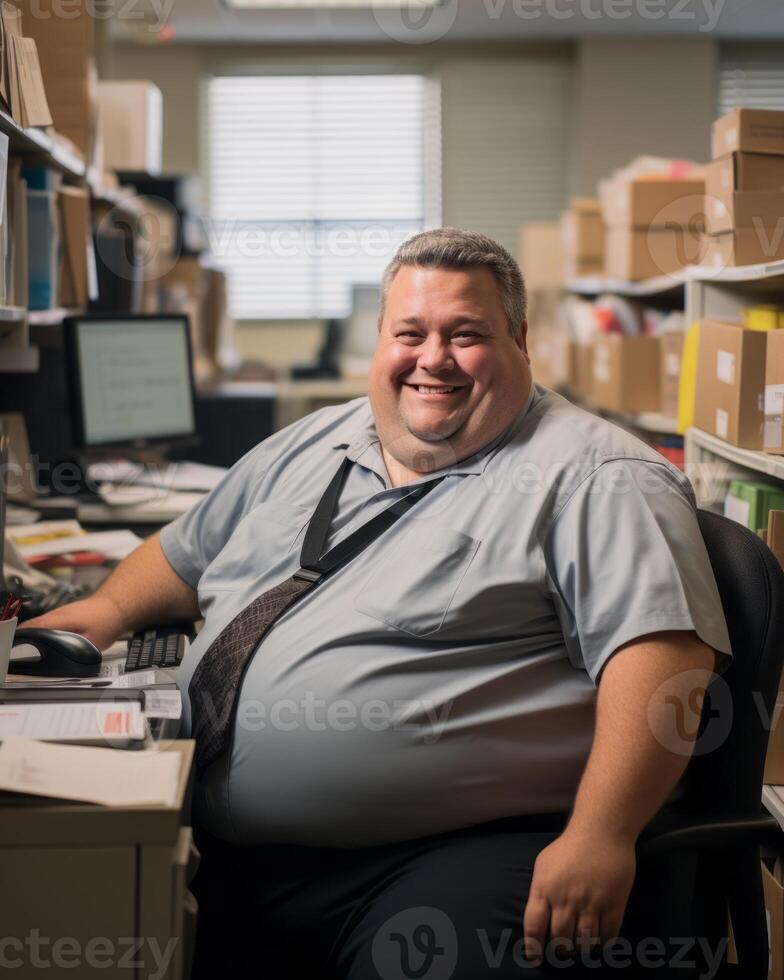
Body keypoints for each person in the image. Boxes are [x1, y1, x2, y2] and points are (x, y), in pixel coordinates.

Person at [28, 229, 731, 978]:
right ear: (381, 340)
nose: (433, 359)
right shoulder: (317, 440)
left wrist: (602, 834)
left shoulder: (595, 475)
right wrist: (102, 613)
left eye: (467, 335)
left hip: (451, 856)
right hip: (230, 841)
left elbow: (664, 662)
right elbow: (184, 551)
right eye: (411, 333)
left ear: (521, 340)